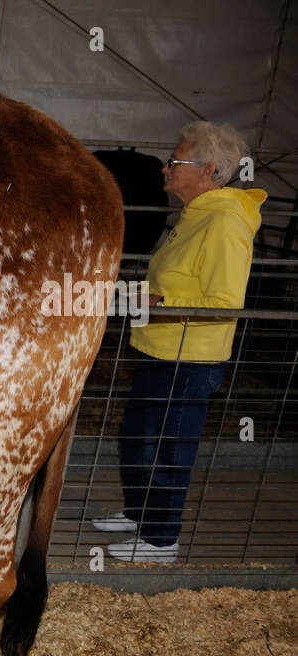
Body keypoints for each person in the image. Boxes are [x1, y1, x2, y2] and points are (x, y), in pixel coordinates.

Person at [93, 122, 267, 562]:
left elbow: (225, 301)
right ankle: (141, 514)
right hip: (161, 345)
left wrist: (160, 299)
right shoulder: (193, 216)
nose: (167, 168)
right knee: (138, 436)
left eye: (176, 162)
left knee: (167, 445)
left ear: (208, 171)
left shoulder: (226, 221)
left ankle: (160, 538)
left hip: (190, 357)